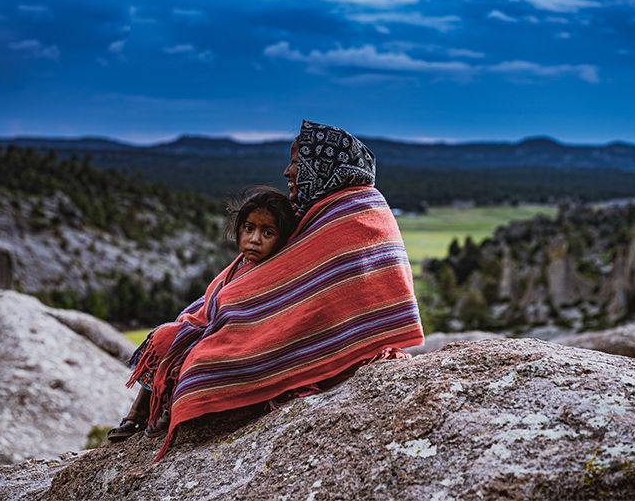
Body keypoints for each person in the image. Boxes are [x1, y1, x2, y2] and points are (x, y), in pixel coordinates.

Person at [108, 119, 424, 459]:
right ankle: (141, 412)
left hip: (315, 343)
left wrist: (236, 309)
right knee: (175, 336)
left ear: (321, 167)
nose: (287, 171)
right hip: (261, 323)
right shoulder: (316, 211)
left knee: (204, 361)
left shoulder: (354, 213)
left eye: (296, 162)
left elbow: (322, 296)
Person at [107, 186, 297, 442]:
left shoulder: (273, 269)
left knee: (199, 353)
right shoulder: (238, 266)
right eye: (249, 228)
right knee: (165, 337)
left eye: (268, 233)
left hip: (236, 337)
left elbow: (247, 311)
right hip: (206, 327)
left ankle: (171, 406)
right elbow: (210, 302)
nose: (254, 239)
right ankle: (137, 412)